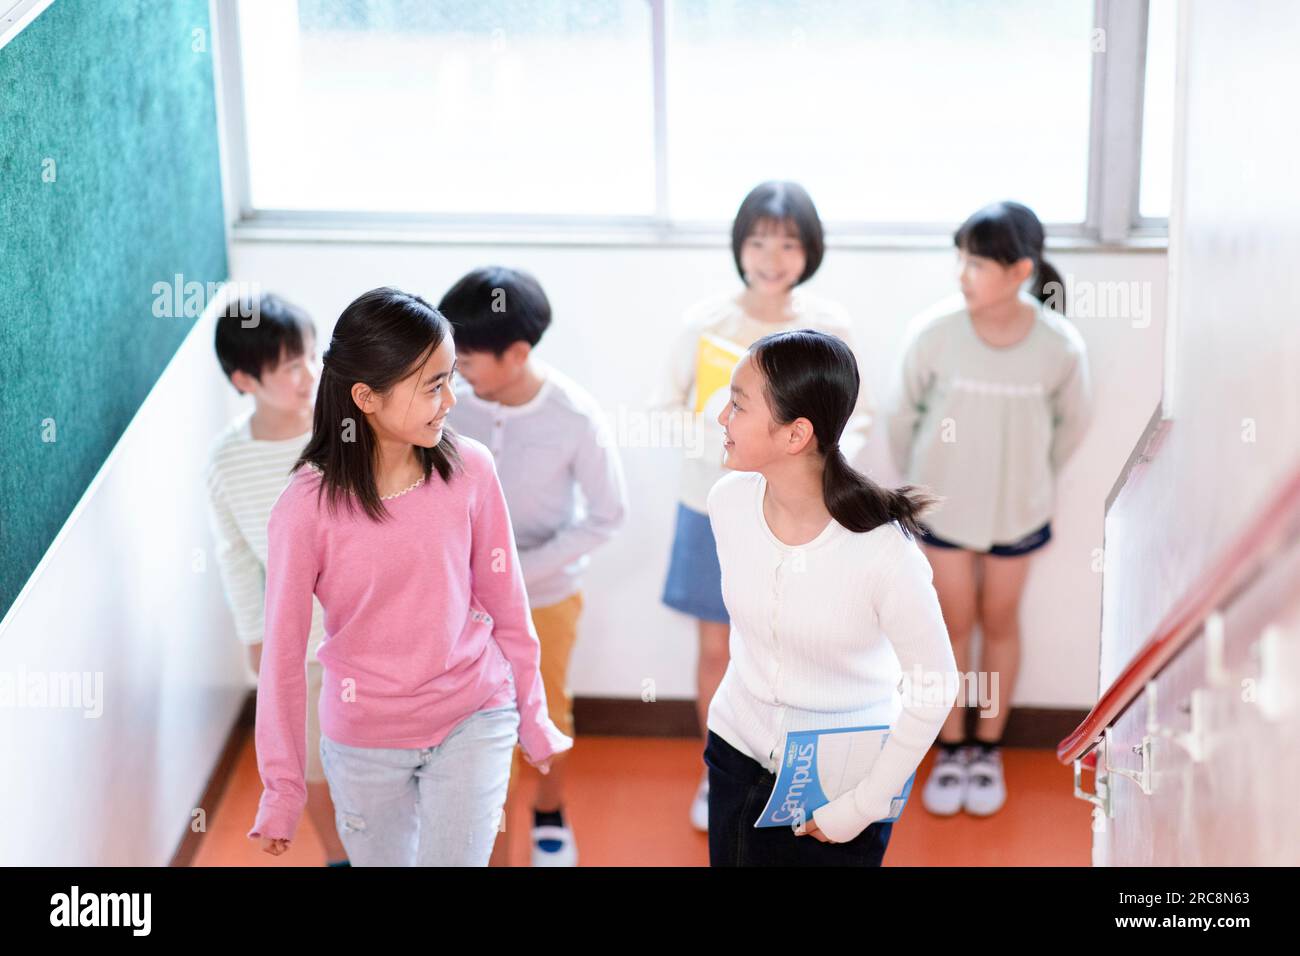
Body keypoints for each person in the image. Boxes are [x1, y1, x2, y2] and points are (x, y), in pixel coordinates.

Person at [246, 287, 571, 865]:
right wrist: (283, 787)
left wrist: (533, 714)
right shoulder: (305, 509)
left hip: (473, 712)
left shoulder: (470, 469)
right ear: (366, 397)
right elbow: (283, 656)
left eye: (452, 378)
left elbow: (507, 605)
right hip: (364, 735)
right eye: (432, 386)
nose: (450, 399)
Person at [651, 180, 875, 830]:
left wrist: (820, 457)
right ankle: (716, 769)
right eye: (758, 240)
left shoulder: (830, 323)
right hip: (711, 503)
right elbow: (664, 407)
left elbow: (859, 417)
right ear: (738, 245)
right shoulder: (706, 322)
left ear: (810, 250)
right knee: (717, 648)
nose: (771, 255)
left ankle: (787, 768)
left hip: (803, 510)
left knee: (793, 643)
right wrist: (724, 443)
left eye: (787, 241)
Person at [704, 328, 958, 866]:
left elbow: (935, 687)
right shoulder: (727, 504)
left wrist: (861, 807)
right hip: (735, 754)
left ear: (795, 435)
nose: (721, 419)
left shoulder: (885, 553)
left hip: (844, 781)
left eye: (737, 405)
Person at [887, 200, 1092, 818]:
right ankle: (950, 750)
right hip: (944, 512)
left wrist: (1029, 479)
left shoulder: (1058, 345)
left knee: (1000, 622)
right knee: (951, 626)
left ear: (1019, 270)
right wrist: (924, 484)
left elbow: (1071, 428)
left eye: (976, 262)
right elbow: (903, 419)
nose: (962, 273)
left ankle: (987, 748)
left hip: (1017, 514)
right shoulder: (935, 333)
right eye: (961, 259)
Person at [438, 266, 628, 866]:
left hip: (544, 599)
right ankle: (480, 826)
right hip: (458, 599)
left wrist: (523, 571)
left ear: (516, 354)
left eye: (464, 360)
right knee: (466, 717)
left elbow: (607, 515)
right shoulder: (452, 407)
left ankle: (548, 808)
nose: (455, 372)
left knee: (542, 710)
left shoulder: (574, 415)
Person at [204, 292, 348, 866]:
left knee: (379, 757)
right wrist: (254, 639)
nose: (309, 374)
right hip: (301, 645)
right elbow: (236, 556)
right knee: (311, 769)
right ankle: (341, 858)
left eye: (312, 355)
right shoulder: (226, 462)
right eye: (290, 365)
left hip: (369, 630)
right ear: (244, 379)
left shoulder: (344, 427)